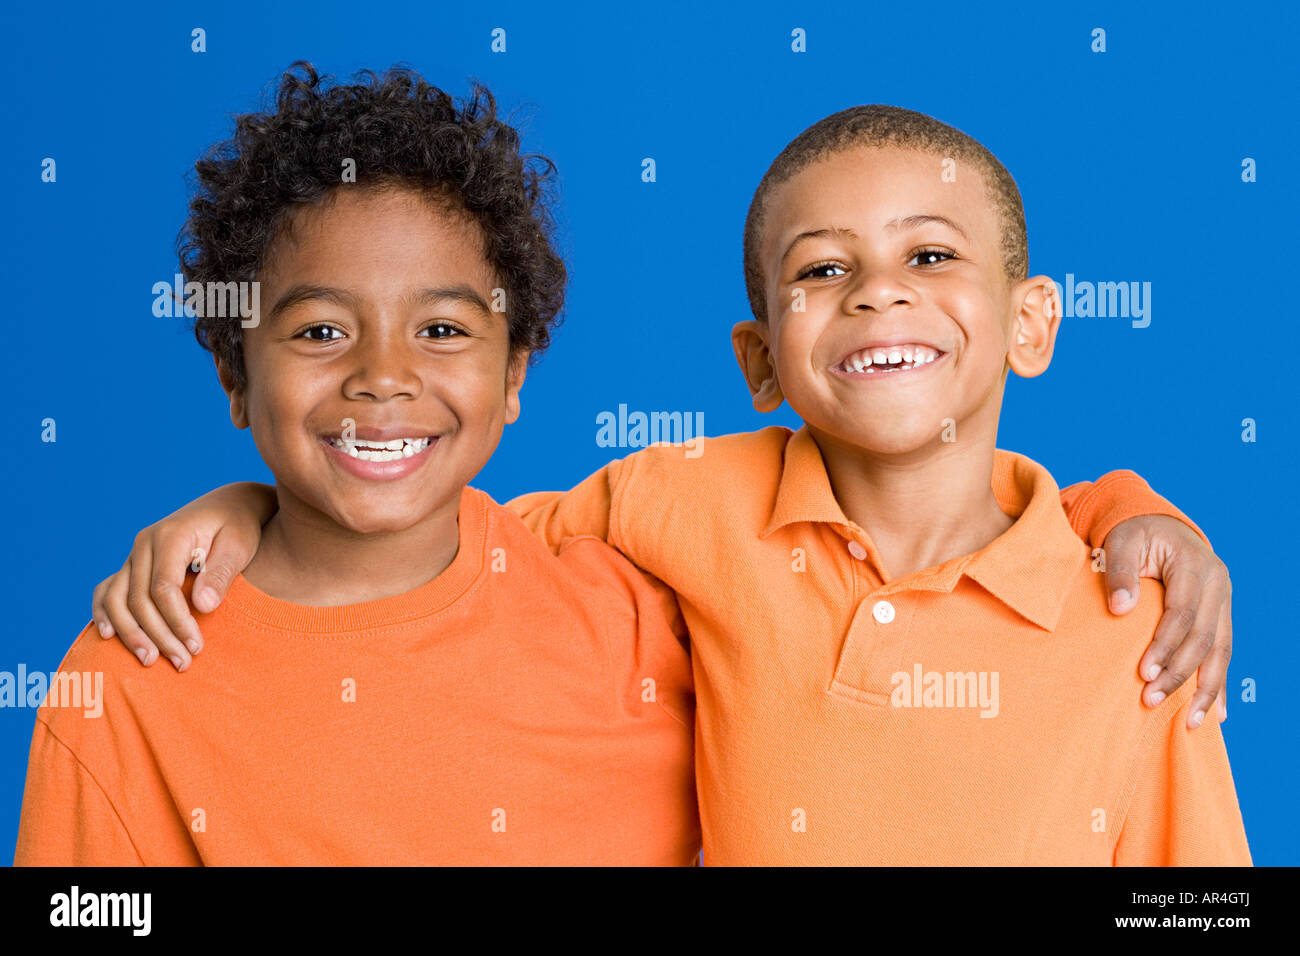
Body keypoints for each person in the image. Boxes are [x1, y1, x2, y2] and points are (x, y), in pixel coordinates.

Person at [86, 104, 1240, 865]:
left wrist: (1129, 506)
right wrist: (243, 506)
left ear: (1034, 321)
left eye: (929, 255)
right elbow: (412, 529)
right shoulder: (681, 504)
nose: (880, 294)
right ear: (757, 362)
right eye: (824, 270)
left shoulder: (1137, 620)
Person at [14, 62, 698, 866]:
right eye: (320, 332)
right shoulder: (132, 677)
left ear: (513, 374)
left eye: (442, 330)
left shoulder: (645, 619)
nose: (382, 375)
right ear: (237, 375)